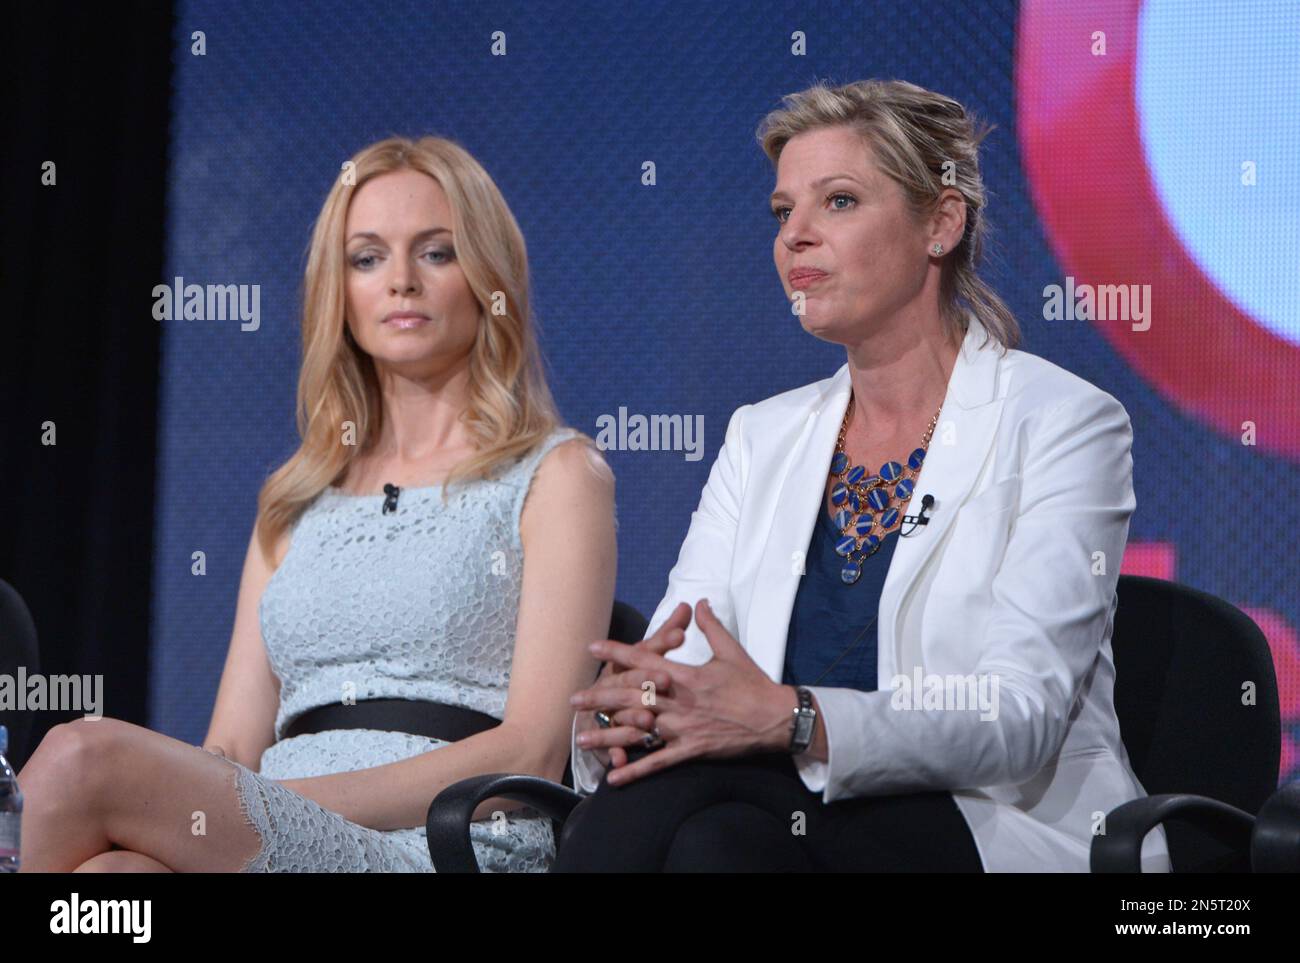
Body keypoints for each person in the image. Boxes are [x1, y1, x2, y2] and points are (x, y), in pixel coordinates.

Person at [559, 79, 1171, 872]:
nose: (795, 238)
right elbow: (687, 651)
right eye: (784, 213)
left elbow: (1020, 718)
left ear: (941, 223)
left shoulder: (1062, 422)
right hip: (773, 810)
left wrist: (795, 718)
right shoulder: (761, 435)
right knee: (697, 830)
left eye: (838, 202)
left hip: (990, 823)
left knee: (705, 835)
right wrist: (640, 705)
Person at [17, 135, 616, 872]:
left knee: (81, 755)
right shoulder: (295, 498)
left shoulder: (556, 473)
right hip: (275, 827)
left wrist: (292, 800)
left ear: (489, 275)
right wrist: (224, 806)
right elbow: (232, 747)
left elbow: (532, 745)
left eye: (435, 252)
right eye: (367, 258)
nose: (400, 281)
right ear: (341, 291)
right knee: (114, 882)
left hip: (447, 839)